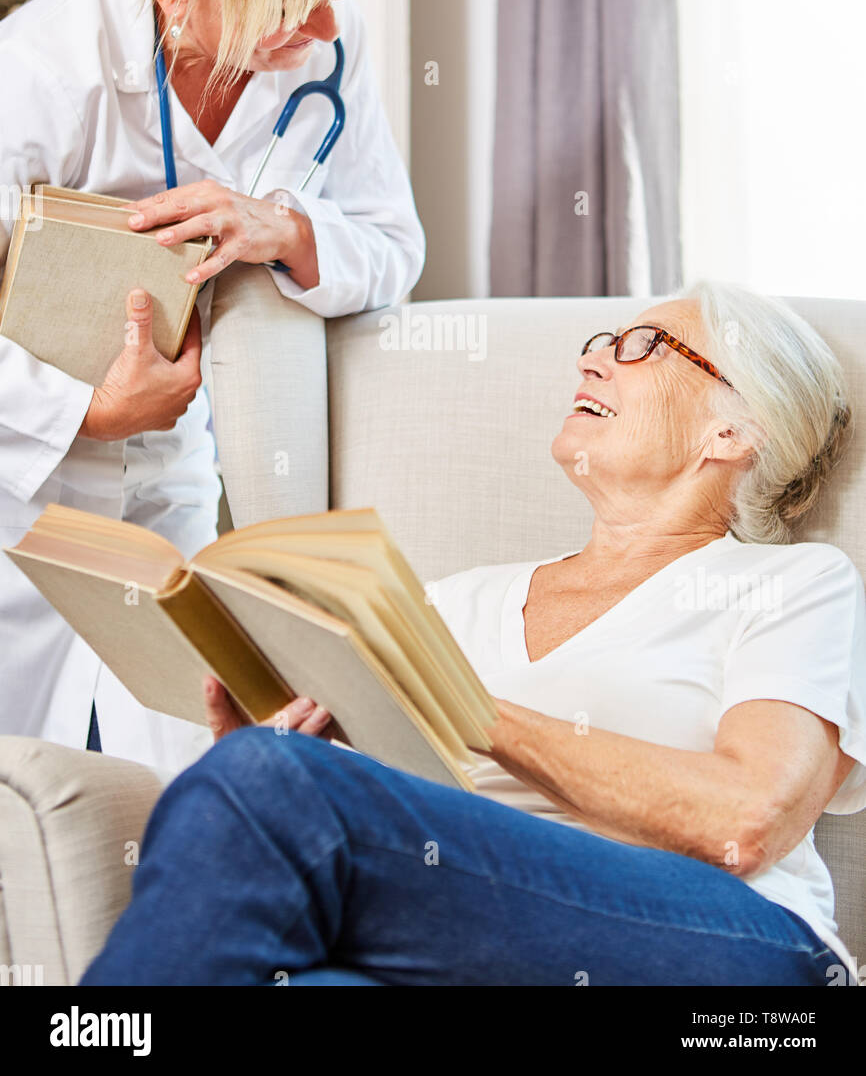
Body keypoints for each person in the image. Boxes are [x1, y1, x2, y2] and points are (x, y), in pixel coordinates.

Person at [81, 284, 866, 986]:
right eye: (600, 346)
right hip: (476, 939)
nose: (594, 364)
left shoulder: (793, 586)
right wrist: (274, 745)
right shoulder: (451, 604)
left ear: (732, 432)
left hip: (737, 946)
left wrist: (469, 711)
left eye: (643, 348)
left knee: (269, 782)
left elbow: (747, 822)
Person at [0, 0, 425, 776]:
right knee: (24, 796)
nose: (325, 25)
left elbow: (393, 248)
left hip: (177, 479)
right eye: (287, 7)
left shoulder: (332, 40)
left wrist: (285, 228)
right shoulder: (38, 71)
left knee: (182, 770)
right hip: (22, 483)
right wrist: (87, 409)